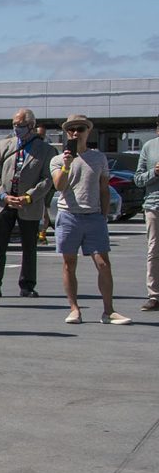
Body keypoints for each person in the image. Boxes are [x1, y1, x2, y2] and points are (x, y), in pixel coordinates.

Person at [51, 115, 130, 325]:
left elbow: (104, 188)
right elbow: (59, 186)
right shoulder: (59, 159)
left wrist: (104, 216)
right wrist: (67, 165)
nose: (75, 133)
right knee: (69, 264)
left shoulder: (98, 158)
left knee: (103, 264)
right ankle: (74, 309)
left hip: (94, 216)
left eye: (80, 129)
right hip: (68, 215)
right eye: (71, 130)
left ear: (88, 132)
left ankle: (109, 311)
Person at [0, 108, 55, 299]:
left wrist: (29, 196)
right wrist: (3, 195)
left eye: (20, 125)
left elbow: (47, 179)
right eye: (14, 125)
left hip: (27, 204)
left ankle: (27, 285)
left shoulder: (45, 150)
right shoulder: (4, 145)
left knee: (29, 246)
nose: (16, 129)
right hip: (3, 202)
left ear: (31, 126)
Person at [134, 114, 159, 312]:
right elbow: (138, 179)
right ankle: (154, 295)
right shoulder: (149, 147)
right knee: (154, 250)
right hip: (153, 206)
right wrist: (154, 173)